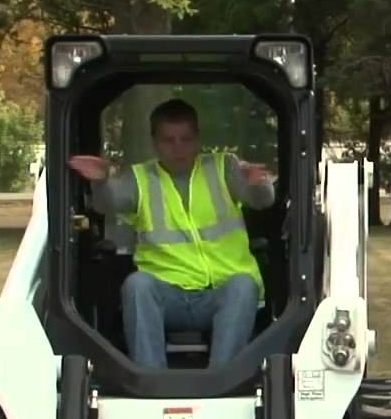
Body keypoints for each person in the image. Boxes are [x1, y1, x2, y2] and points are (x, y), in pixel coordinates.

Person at [68, 98, 276, 369]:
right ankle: (151, 379)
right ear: (155, 142)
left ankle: (222, 379)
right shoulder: (139, 178)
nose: (178, 148)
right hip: (168, 295)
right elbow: (107, 203)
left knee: (244, 285)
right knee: (137, 285)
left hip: (221, 293)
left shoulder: (224, 168)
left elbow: (262, 201)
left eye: (186, 139)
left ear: (198, 140)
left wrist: (258, 184)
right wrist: (102, 182)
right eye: (169, 140)